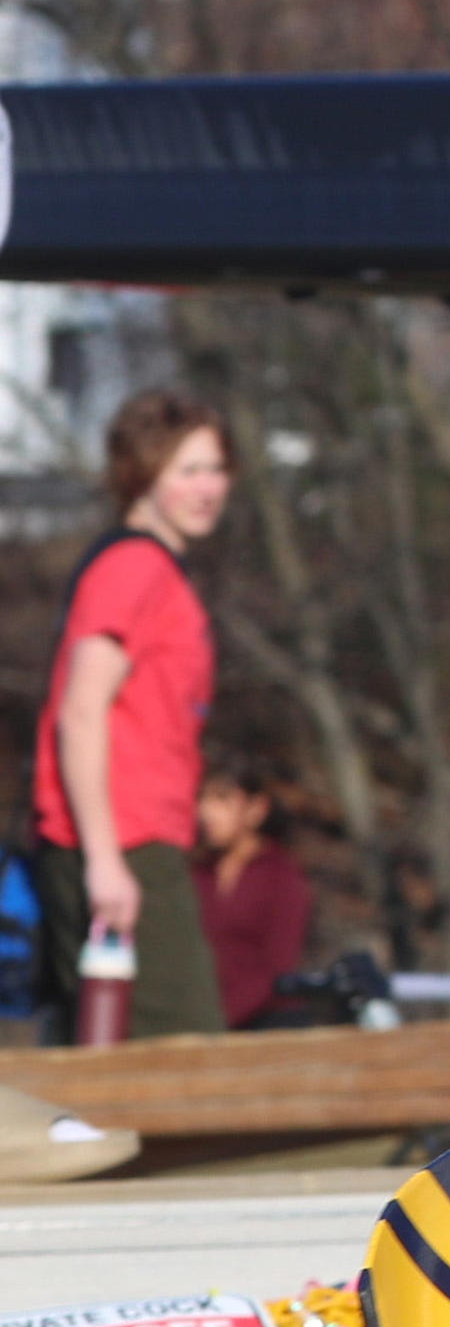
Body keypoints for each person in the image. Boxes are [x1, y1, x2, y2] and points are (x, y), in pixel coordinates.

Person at [35, 391, 234, 1039]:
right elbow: (80, 712)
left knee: (129, 1055)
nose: (208, 488)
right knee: (184, 1053)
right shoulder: (134, 567)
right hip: (120, 845)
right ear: (141, 474)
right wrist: (104, 861)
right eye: (188, 470)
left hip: (142, 840)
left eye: (216, 469)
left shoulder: (158, 571)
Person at [195, 747, 311, 1029]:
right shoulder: (195, 875)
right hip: (199, 1022)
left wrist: (220, 1019)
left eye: (222, 799)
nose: (206, 812)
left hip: (267, 1023)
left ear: (256, 809)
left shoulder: (281, 877)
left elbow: (278, 967)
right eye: (201, 798)